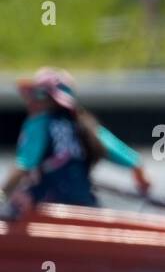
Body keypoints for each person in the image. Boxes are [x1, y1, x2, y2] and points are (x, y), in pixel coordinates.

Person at [1, 67, 150, 217]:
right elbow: (132, 160)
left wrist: (2, 195)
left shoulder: (39, 123)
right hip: (84, 203)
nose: (31, 101)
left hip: (47, 203)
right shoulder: (85, 125)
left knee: (16, 200)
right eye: (32, 94)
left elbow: (24, 165)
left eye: (39, 95)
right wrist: (141, 177)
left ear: (53, 100)